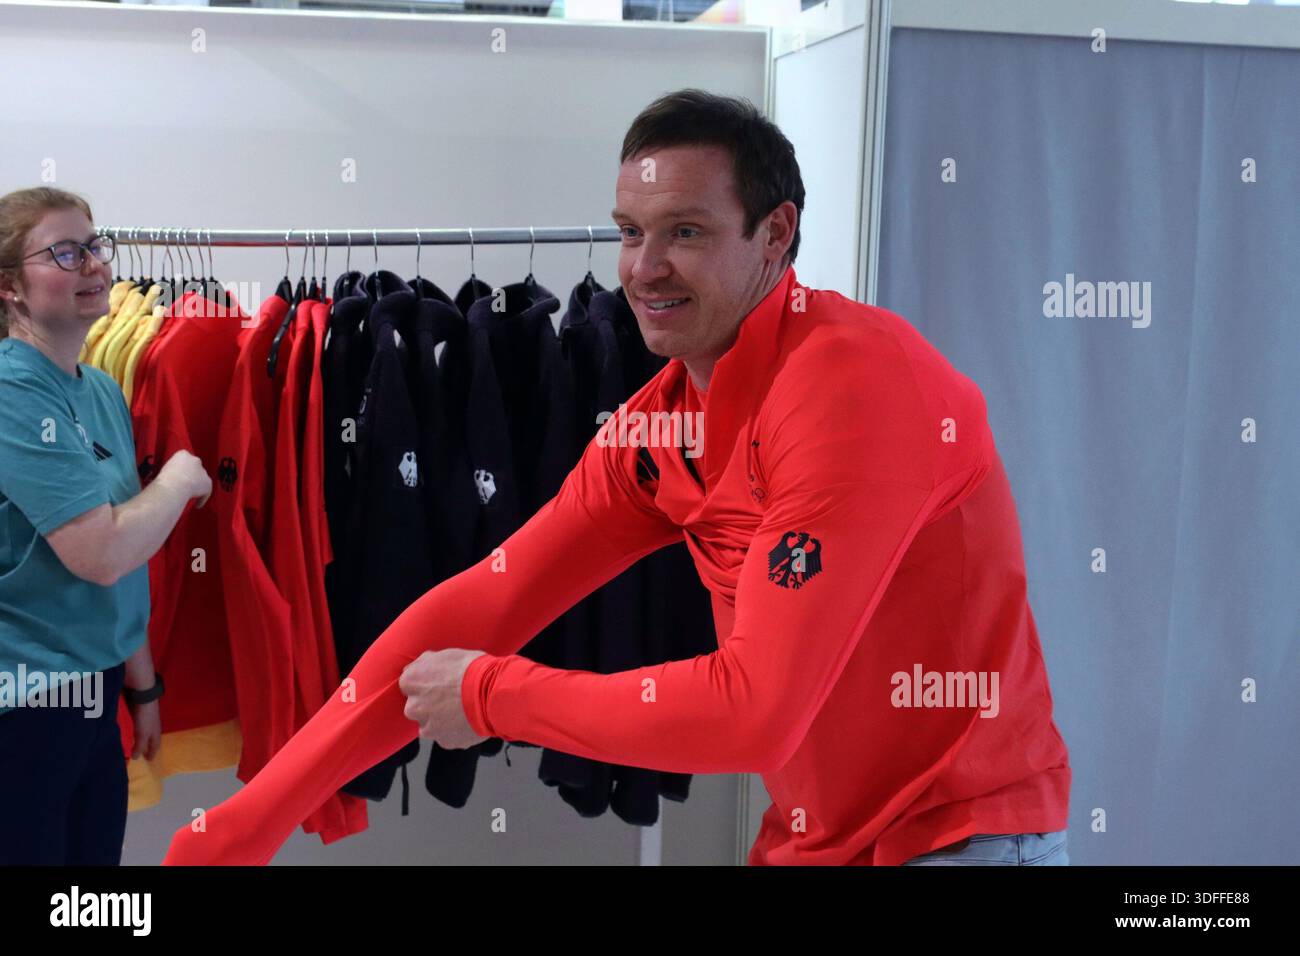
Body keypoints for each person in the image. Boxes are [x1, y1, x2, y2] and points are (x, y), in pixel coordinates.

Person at [163, 89, 1071, 867]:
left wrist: (491, 694)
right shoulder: (661, 424)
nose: (643, 269)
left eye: (685, 232)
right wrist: (243, 827)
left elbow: (756, 712)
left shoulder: (853, 389)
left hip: (965, 838)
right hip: (816, 838)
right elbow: (477, 604)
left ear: (776, 233)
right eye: (630, 233)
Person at [0, 187, 211, 865]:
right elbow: (101, 551)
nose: (93, 265)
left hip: (94, 695)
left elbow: (124, 564)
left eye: (95, 246)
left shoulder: (100, 390)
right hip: (24, 703)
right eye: (65, 251)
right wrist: (178, 480)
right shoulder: (10, 391)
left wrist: (140, 683)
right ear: (9, 288)